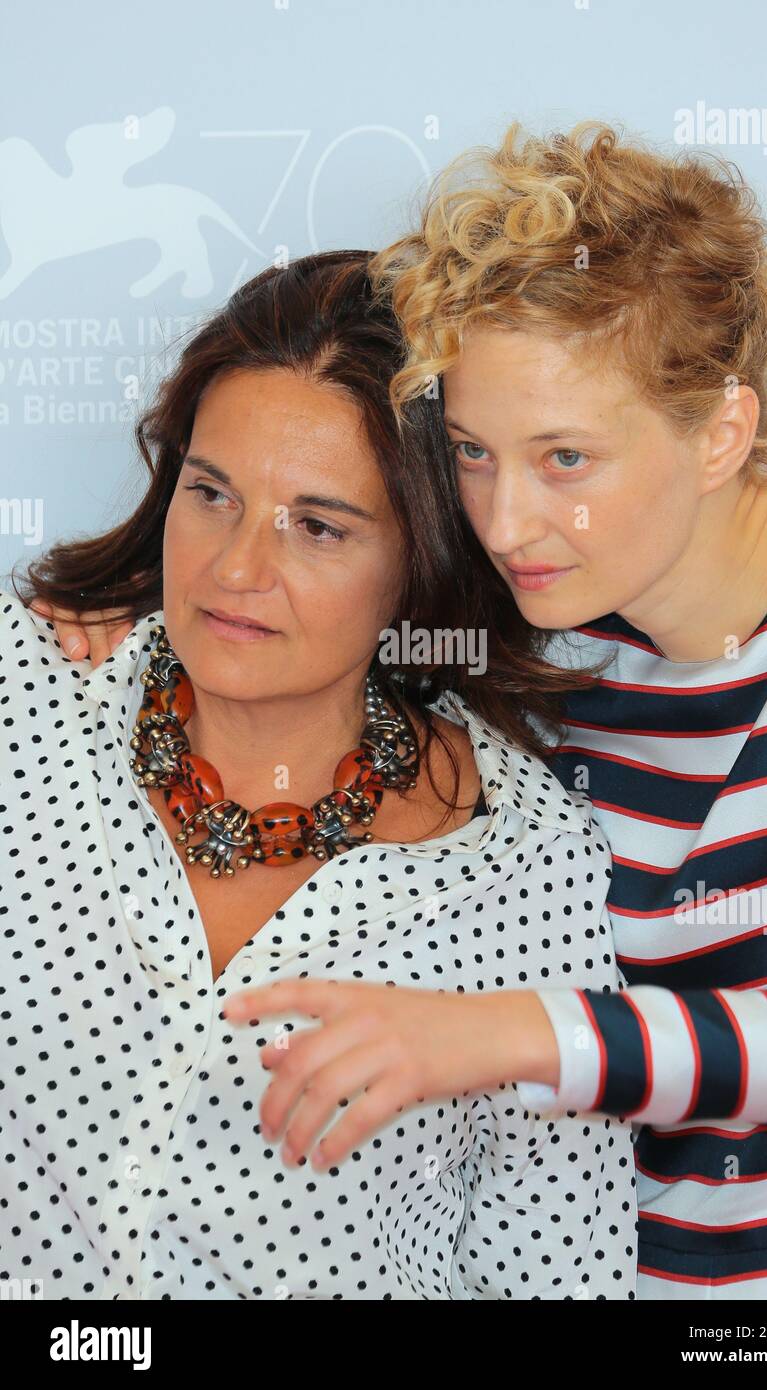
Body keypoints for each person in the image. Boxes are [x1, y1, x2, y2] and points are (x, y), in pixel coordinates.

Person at [36, 122, 767, 1301]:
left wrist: (508, 1032)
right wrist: (117, 610)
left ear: (720, 430)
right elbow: (298, 562)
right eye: (472, 452)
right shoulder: (547, 641)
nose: (506, 517)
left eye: (564, 458)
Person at [1, 249, 637, 1301]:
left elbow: (559, 1269)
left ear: (420, 559)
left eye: (317, 524)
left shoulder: (525, 864)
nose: (237, 568)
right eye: (211, 494)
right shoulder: (32, 700)